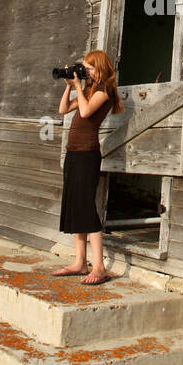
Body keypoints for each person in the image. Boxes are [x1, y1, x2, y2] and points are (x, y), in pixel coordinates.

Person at [52, 49, 124, 284]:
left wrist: (78, 89)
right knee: (75, 206)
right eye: (84, 68)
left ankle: (100, 267)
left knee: (86, 206)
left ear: (100, 68)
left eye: (89, 68)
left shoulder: (103, 92)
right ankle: (80, 262)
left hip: (87, 156)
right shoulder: (87, 90)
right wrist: (68, 86)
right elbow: (63, 110)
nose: (85, 71)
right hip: (73, 154)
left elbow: (84, 112)